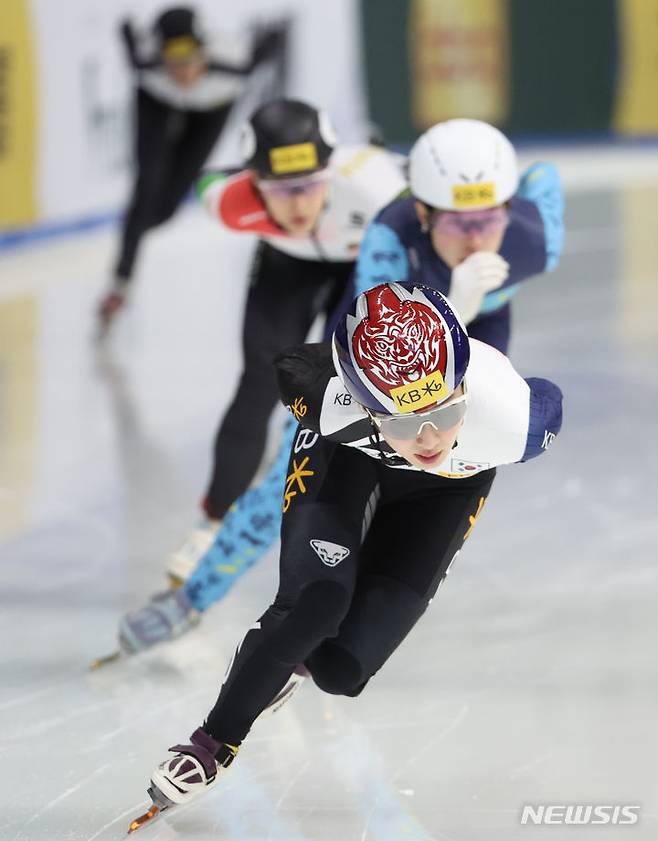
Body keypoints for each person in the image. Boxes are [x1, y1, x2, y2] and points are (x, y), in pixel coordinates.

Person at [114, 117, 563, 656]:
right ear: (422, 213)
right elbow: (378, 356)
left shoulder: (537, 239)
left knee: (434, 464)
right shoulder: (390, 237)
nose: (475, 240)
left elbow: (543, 177)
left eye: (489, 220)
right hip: (381, 344)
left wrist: (470, 313)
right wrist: (457, 303)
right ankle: (190, 601)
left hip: (479, 334)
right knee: (289, 473)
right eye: (456, 224)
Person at [126, 281, 563, 832]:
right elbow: (291, 360)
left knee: (342, 668)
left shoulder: (513, 422)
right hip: (349, 457)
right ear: (362, 403)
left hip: (447, 490)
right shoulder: (330, 403)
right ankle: (211, 745)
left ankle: (299, 661)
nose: (429, 437)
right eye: (407, 423)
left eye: (444, 413)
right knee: (314, 607)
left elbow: (549, 396)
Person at [157, 99, 407, 585]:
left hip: (364, 258)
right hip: (287, 264)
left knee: (350, 381)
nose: (298, 205)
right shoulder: (231, 202)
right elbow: (210, 178)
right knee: (258, 384)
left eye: (311, 185)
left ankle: (361, 519)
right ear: (253, 183)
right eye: (279, 190)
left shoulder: (377, 189)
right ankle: (213, 521)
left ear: (330, 171)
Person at [97, 6, 288, 332]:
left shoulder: (236, 62)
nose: (183, 74)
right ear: (161, 58)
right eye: (174, 65)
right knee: (147, 188)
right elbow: (124, 24)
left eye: (190, 63)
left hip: (213, 106)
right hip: (156, 99)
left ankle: (136, 232)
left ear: (206, 54)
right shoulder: (144, 61)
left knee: (165, 207)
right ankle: (121, 282)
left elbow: (275, 39)